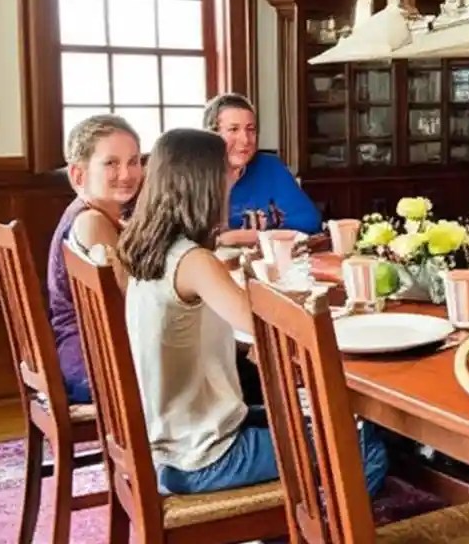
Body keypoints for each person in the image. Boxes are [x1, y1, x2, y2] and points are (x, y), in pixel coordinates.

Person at [116, 128, 387, 496]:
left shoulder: (147, 249)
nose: (232, 180)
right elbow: (267, 328)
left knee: (319, 415)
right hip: (204, 455)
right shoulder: (194, 261)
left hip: (168, 441)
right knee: (359, 441)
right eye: (224, 171)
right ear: (204, 183)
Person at [45, 115, 143, 404]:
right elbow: (133, 300)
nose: (126, 174)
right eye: (111, 163)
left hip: (89, 352)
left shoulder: (98, 214)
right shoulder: (91, 223)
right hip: (92, 365)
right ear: (78, 175)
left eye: (134, 161)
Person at [203, 93, 321, 246]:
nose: (245, 140)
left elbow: (310, 222)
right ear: (212, 135)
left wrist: (238, 237)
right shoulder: (195, 175)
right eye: (233, 129)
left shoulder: (270, 167)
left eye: (251, 129)